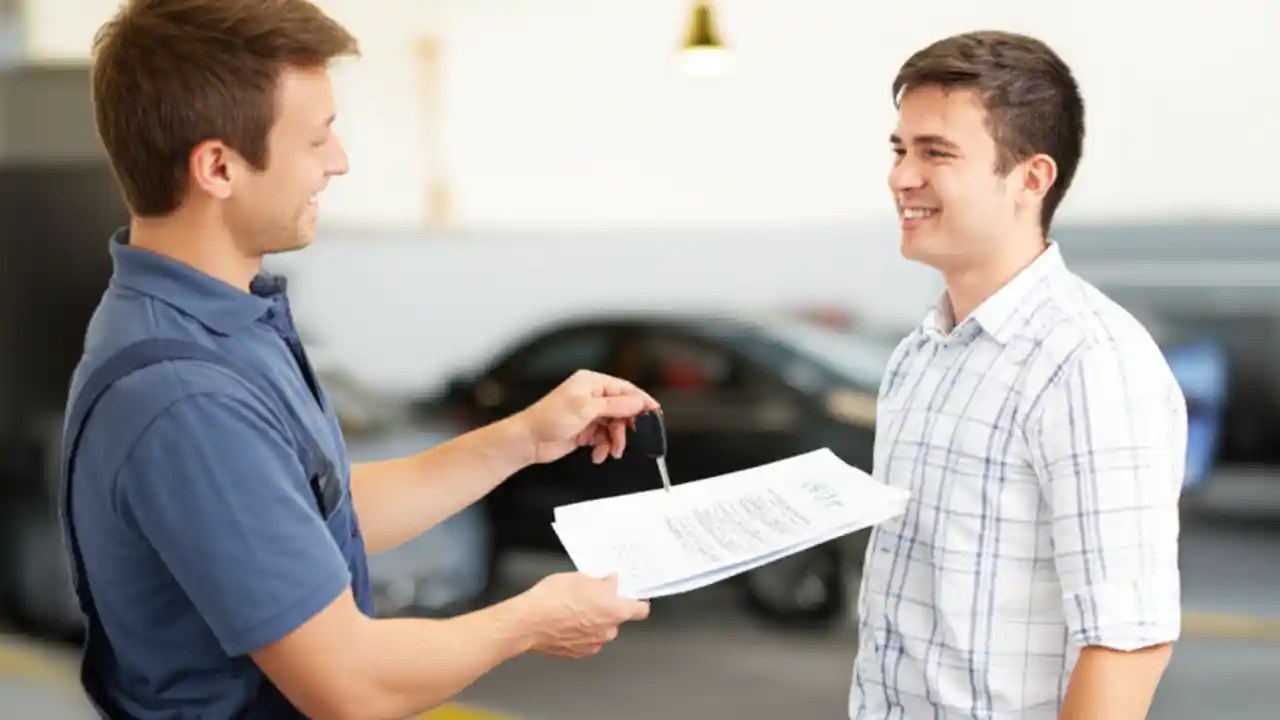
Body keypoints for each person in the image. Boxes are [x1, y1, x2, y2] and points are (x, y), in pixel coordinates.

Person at [61, 1, 656, 718]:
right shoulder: (185, 397)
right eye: (318, 140)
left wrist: (525, 439)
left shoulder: (222, 324)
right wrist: (528, 621)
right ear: (218, 166)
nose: (338, 162)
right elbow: (351, 683)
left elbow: (308, 522)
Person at [848, 31, 1187, 719]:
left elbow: (1128, 643)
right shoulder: (922, 352)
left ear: (1032, 178)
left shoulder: (1089, 363)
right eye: (899, 150)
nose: (901, 177)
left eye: (935, 152)